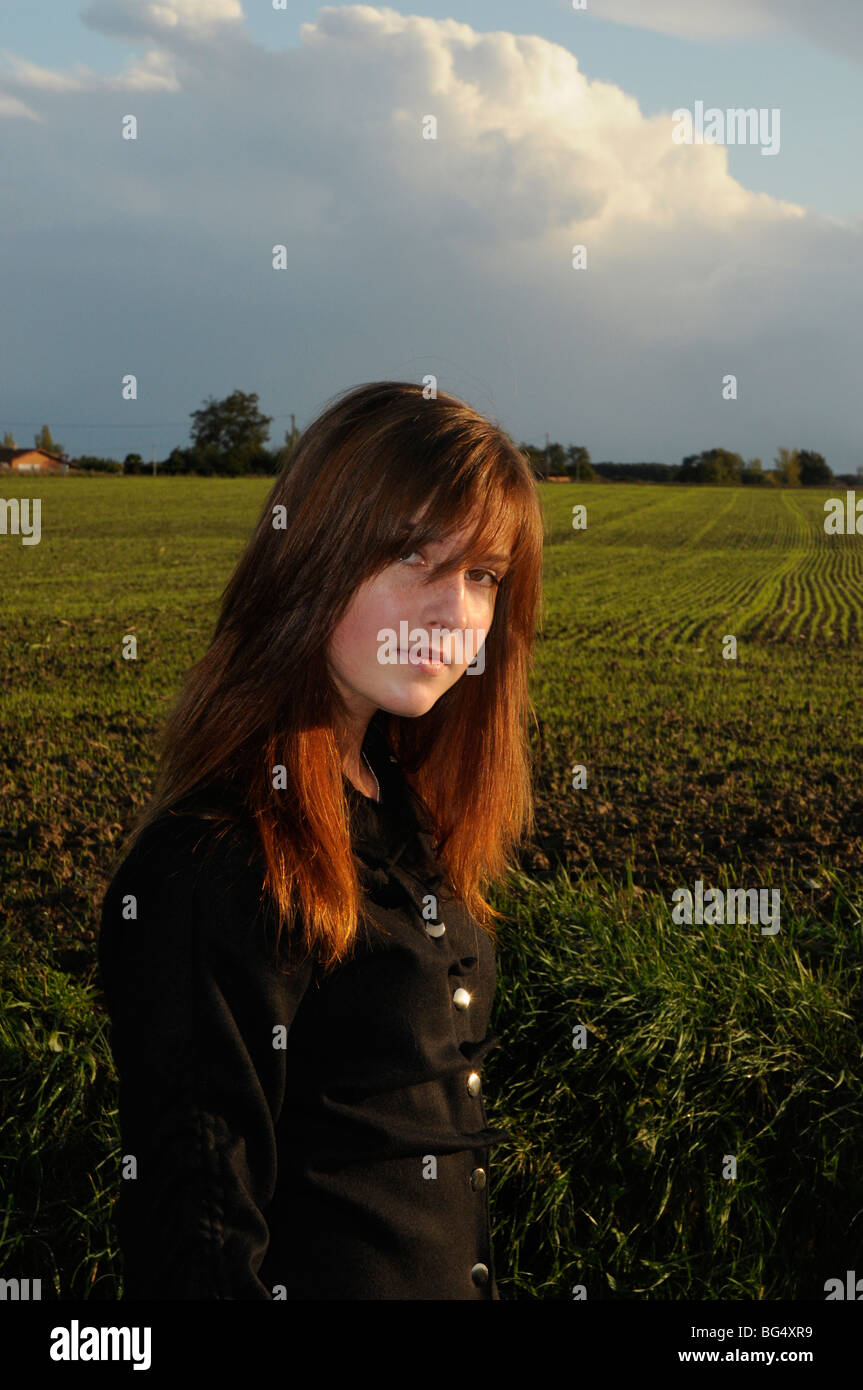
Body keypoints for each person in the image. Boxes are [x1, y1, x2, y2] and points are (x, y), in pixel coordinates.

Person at [98, 379, 545, 1299]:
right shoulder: (214, 864)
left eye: (482, 577)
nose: (456, 613)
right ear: (313, 558)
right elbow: (199, 1248)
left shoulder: (402, 810)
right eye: (414, 558)